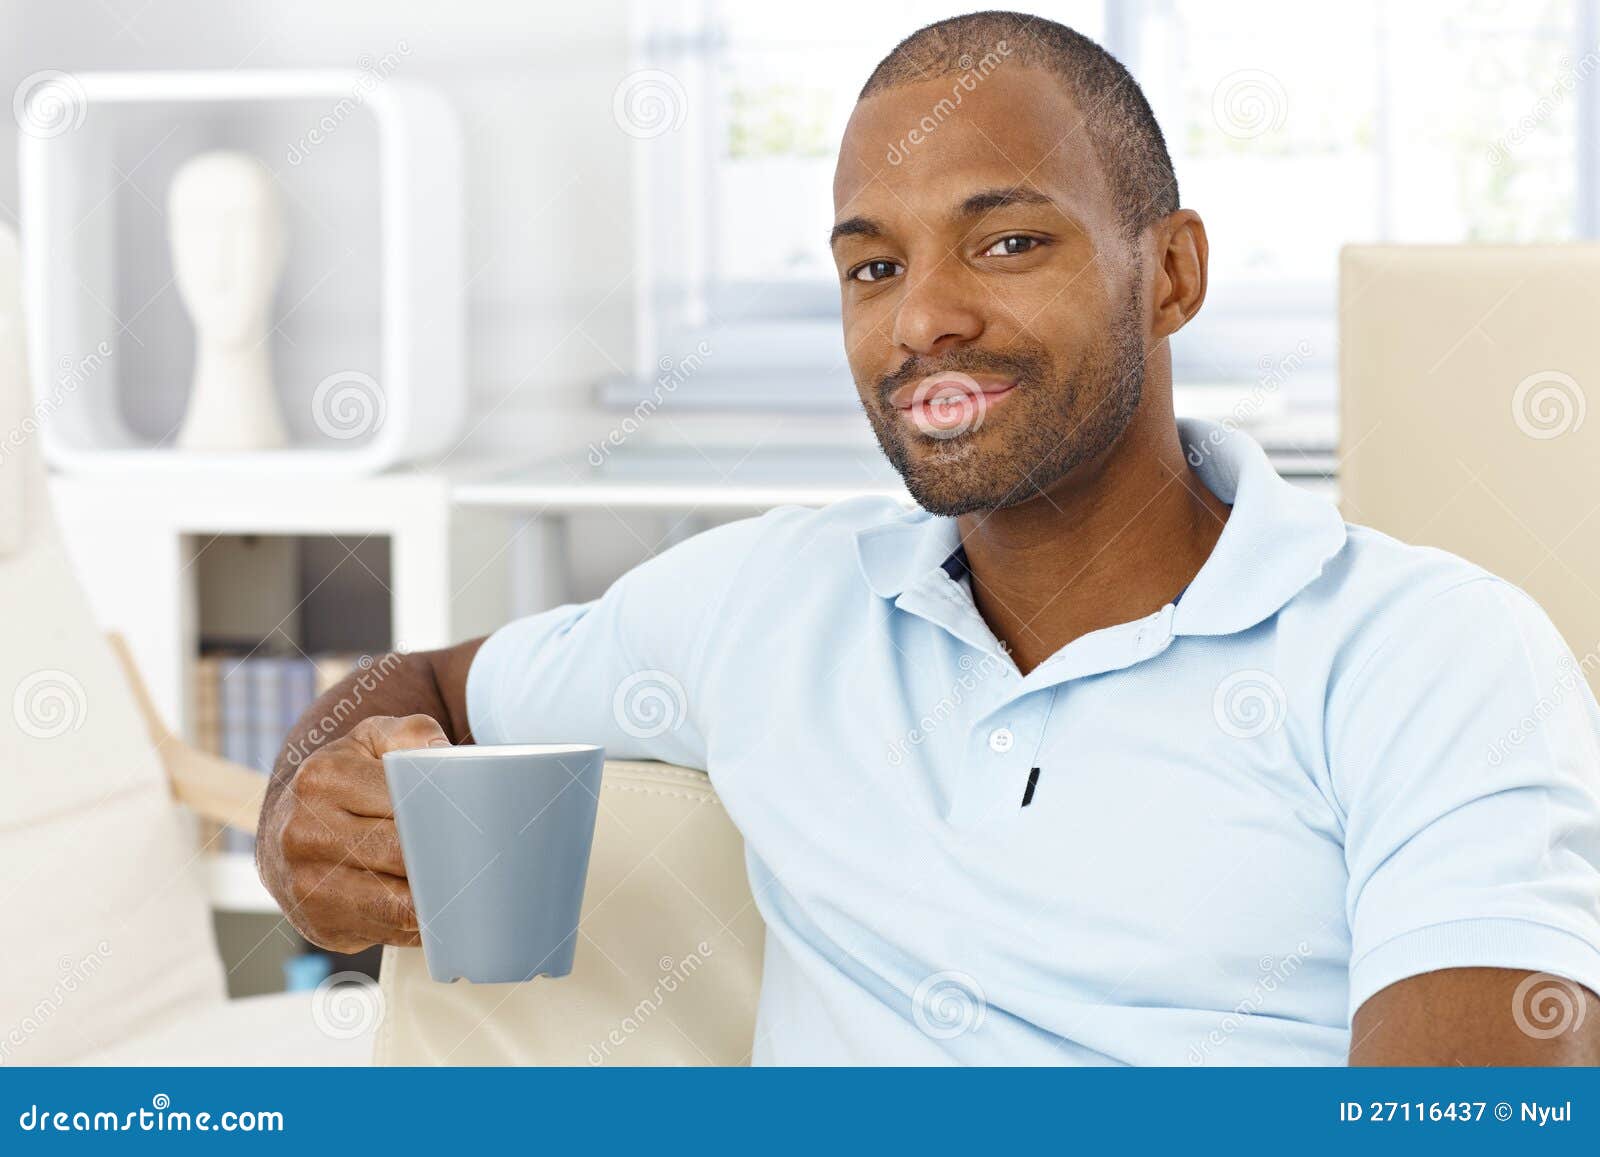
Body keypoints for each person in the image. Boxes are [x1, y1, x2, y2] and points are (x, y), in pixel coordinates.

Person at [257, 11, 1600, 1065]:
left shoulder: (1429, 653)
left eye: (1007, 242)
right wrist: (299, 819)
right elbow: (430, 685)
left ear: (1172, 272)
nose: (923, 321)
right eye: (874, 268)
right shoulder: (767, 602)